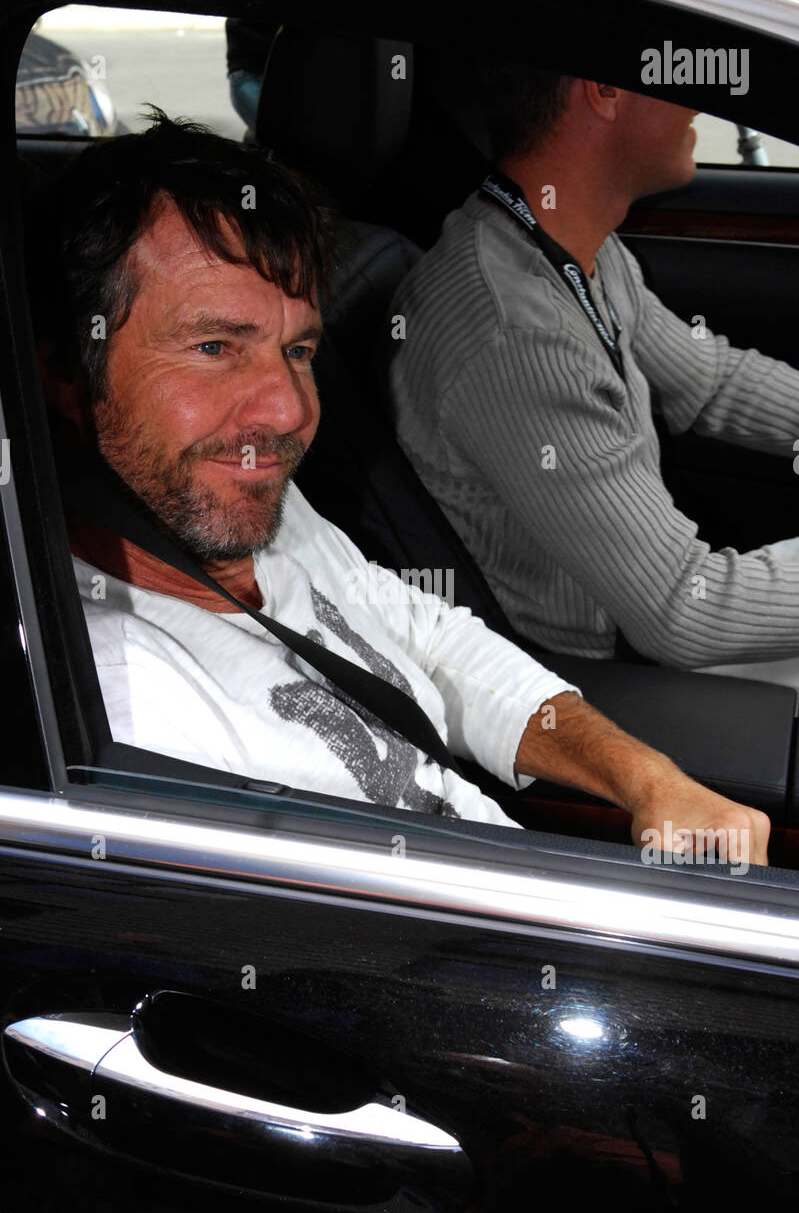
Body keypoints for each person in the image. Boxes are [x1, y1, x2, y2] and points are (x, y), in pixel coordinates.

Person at [27, 110, 769, 861]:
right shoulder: (128, 702)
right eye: (213, 346)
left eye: (297, 348)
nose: (289, 409)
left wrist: (647, 780)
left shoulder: (239, 503)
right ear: (63, 373)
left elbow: (429, 638)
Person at [387, 65, 799, 687]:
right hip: (590, 683)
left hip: (629, 636)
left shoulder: (567, 243)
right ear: (603, 90)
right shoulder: (520, 337)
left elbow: (709, 379)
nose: (698, 101)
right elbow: (681, 609)